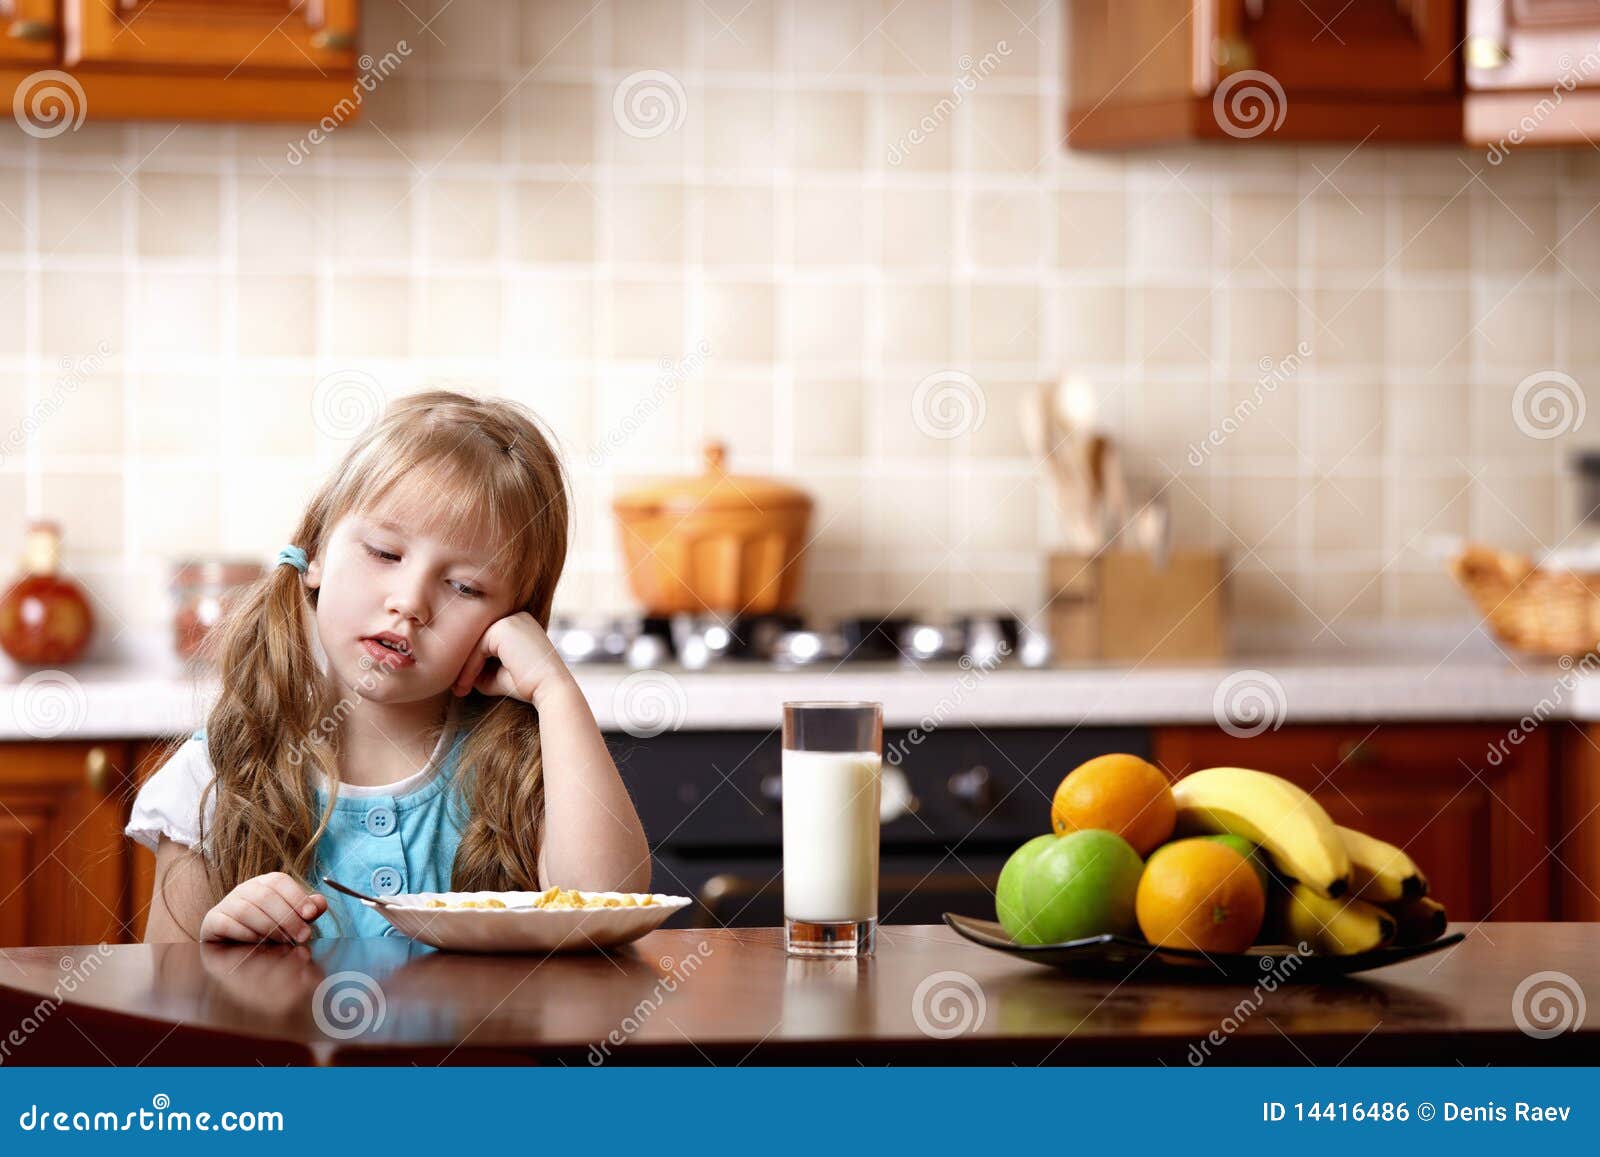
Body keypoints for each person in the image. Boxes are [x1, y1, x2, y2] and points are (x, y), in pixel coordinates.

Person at [127, 390, 649, 941]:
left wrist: (555, 691)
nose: (411, 602)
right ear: (318, 551)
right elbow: (171, 1004)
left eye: (465, 587)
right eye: (384, 553)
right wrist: (219, 948)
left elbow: (604, 913)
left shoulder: (531, 768)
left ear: (511, 623)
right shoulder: (217, 773)